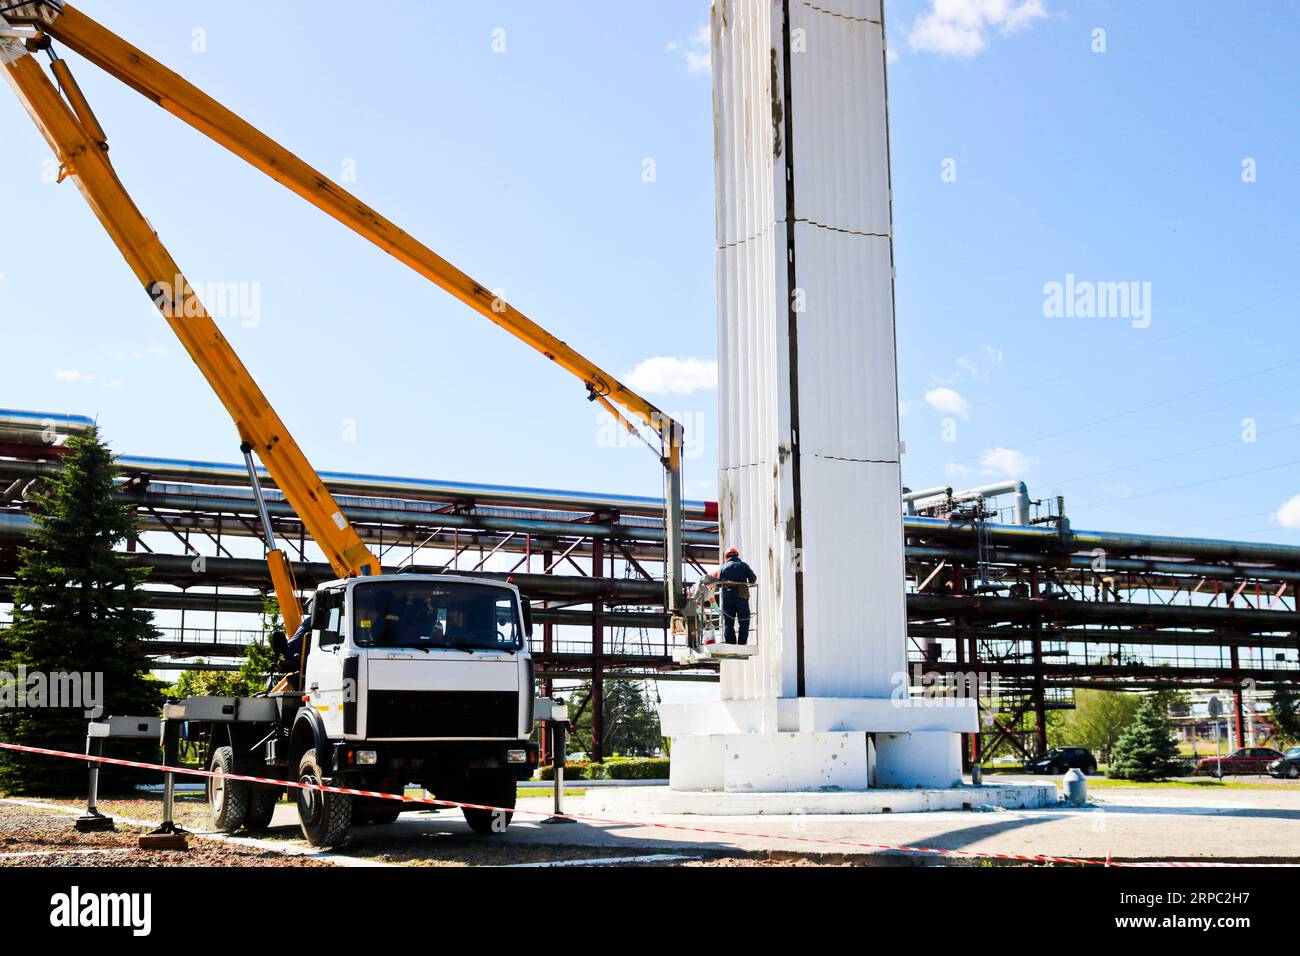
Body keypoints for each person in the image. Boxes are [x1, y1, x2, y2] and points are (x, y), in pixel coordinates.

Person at [716, 546, 757, 645]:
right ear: (737, 555)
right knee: (744, 621)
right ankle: (742, 643)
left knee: (728, 622)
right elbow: (753, 579)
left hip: (727, 598)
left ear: (727, 557)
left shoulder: (722, 568)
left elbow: (718, 584)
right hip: (741, 597)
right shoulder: (743, 565)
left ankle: (730, 643)